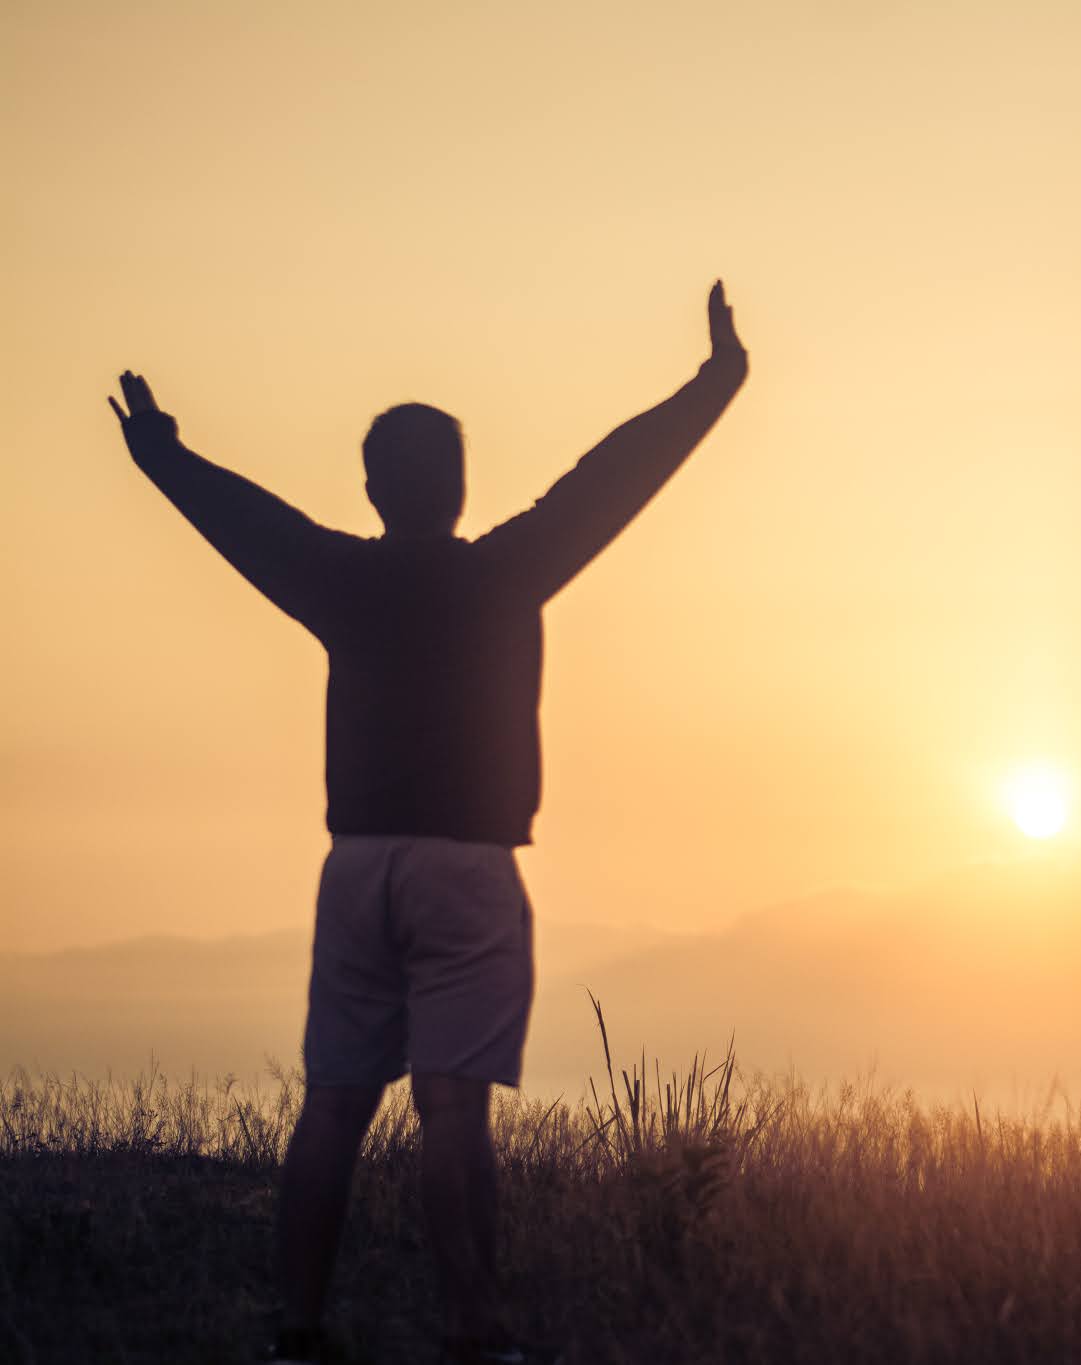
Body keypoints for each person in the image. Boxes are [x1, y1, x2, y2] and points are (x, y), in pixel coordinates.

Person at [109, 283, 749, 1365]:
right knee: (453, 1110)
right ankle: (472, 1333)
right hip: (469, 871)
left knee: (333, 1107)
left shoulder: (336, 576)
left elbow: (247, 521)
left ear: (371, 489)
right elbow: (615, 473)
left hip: (357, 867)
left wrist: (163, 457)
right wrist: (715, 380)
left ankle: (297, 1334)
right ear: (460, 485)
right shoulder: (510, 571)